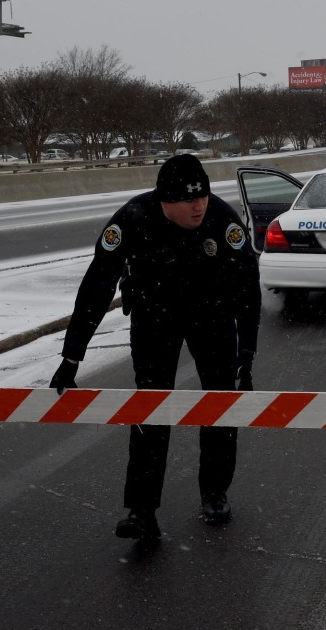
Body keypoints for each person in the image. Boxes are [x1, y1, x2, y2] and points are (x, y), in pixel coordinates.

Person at [49, 154, 261, 545]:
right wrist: (72, 354)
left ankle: (214, 491)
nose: (198, 206)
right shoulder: (132, 219)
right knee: (149, 404)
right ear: (164, 201)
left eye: (203, 196)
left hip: (211, 315)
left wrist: (245, 356)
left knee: (219, 401)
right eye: (187, 200)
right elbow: (97, 285)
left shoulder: (223, 220)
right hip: (155, 315)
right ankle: (142, 509)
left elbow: (248, 291)